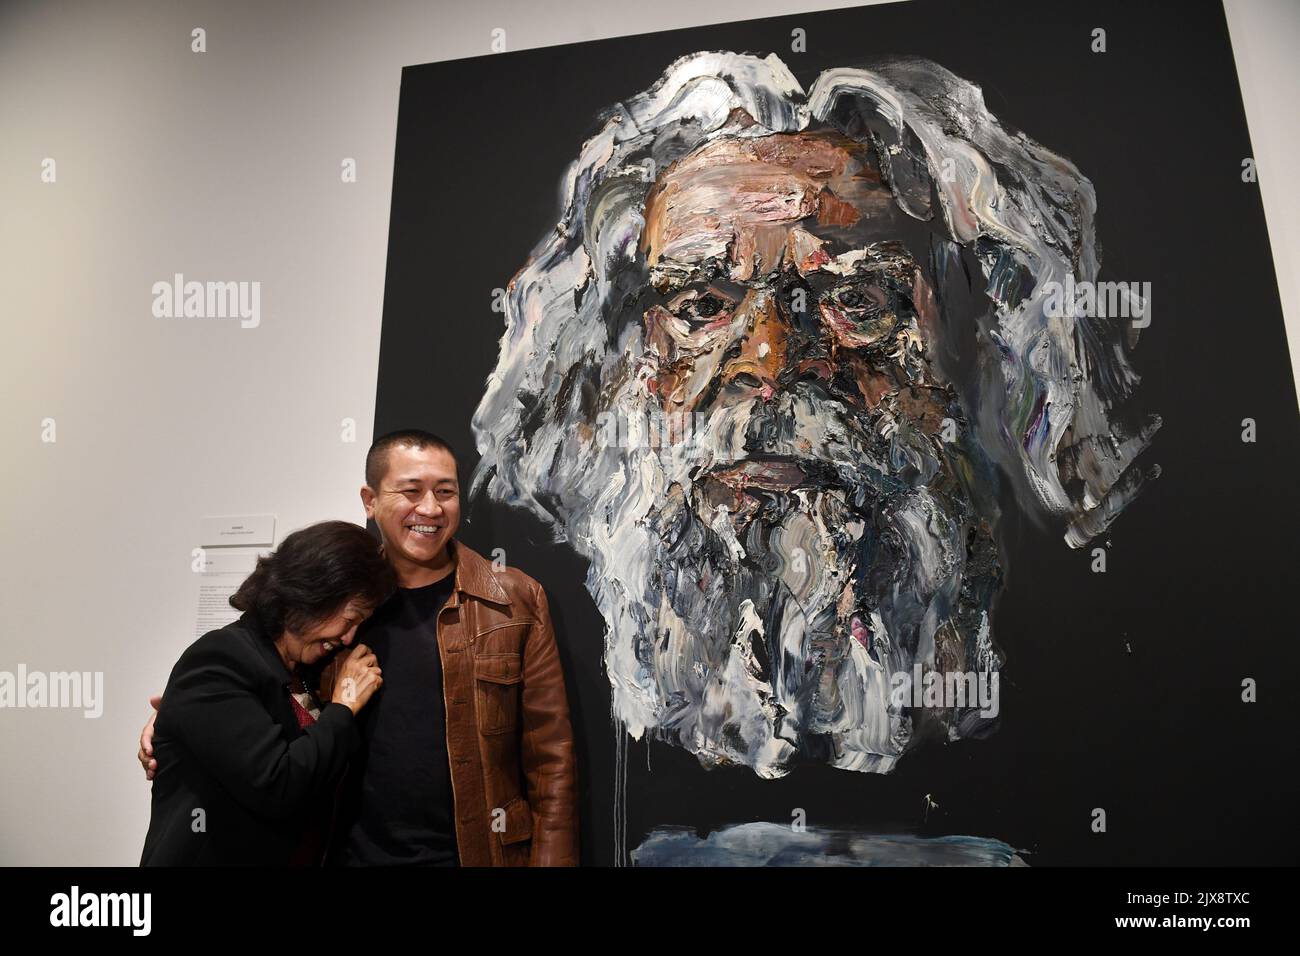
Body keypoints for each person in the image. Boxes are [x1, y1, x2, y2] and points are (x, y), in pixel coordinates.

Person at [469, 51, 1161, 779]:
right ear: (629, 361)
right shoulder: (551, 645)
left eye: (856, 304)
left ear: (973, 345)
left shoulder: (1099, 680)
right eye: (701, 306)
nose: (770, 367)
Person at [140, 431, 579, 866]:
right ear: (370, 501)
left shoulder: (513, 598)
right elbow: (268, 693)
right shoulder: (335, 596)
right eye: (411, 491)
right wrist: (177, 721)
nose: (430, 507)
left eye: (445, 491)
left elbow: (550, 760)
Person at [140, 520, 394, 865]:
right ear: (311, 595)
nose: (349, 637)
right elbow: (278, 785)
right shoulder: (220, 657)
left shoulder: (304, 669)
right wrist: (343, 707)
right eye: (349, 619)